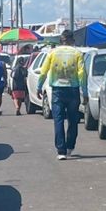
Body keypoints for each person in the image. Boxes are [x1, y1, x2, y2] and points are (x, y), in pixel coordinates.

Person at [39, 31, 87, 159]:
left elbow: (43, 71)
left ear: (61, 40)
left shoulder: (52, 53)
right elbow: (82, 74)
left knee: (58, 120)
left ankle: (61, 151)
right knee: (73, 120)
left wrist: (39, 86)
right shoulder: (77, 53)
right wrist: (85, 92)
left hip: (57, 90)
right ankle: (70, 146)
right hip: (73, 90)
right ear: (72, 40)